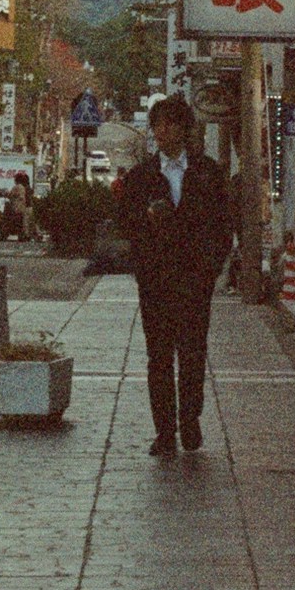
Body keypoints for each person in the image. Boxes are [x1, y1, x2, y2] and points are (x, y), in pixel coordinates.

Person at [115, 94, 233, 457]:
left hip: (195, 282)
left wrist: (210, 269)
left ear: (185, 128)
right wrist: (146, 227)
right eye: (158, 125)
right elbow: (126, 226)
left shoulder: (207, 172)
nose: (163, 131)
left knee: (194, 354)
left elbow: (222, 226)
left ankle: (191, 421)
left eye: (170, 124)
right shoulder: (141, 176)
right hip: (157, 283)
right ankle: (165, 431)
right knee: (160, 357)